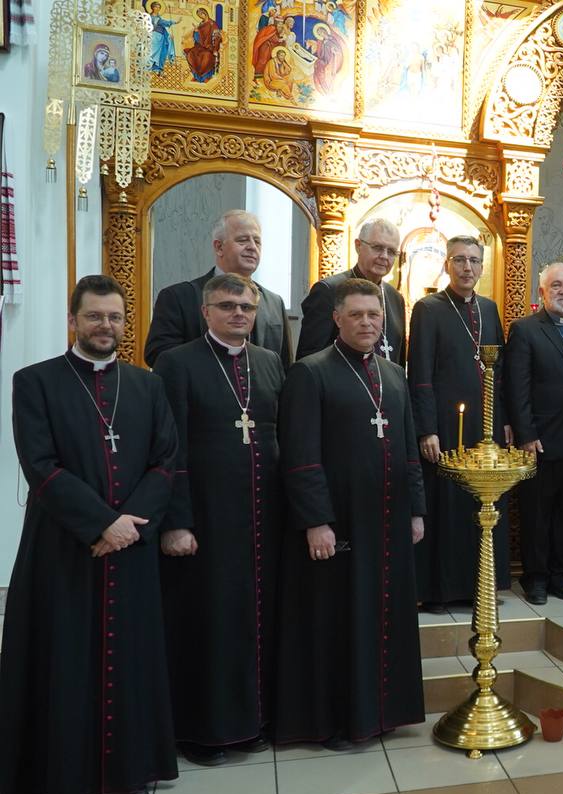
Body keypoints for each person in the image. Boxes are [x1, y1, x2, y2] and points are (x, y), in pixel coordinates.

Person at [1, 275, 178, 794]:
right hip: (63, 548)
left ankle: (128, 772)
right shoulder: (35, 381)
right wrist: (103, 524)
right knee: (67, 660)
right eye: (95, 317)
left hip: (131, 550)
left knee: (129, 660)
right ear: (73, 321)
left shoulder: (147, 385)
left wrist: (131, 528)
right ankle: (64, 782)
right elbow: (41, 467)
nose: (107, 327)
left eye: (116, 317)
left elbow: (164, 461)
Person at [274, 279, 426, 749]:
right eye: (356, 315)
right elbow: (300, 455)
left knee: (385, 612)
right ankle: (339, 720)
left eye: (374, 315)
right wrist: (316, 520)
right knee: (339, 618)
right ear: (337, 319)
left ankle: (385, 711)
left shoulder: (394, 374)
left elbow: (408, 452)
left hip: (387, 520)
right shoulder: (310, 372)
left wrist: (416, 511)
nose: (366, 323)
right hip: (339, 524)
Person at [152, 273, 285, 767]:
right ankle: (202, 732)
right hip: (205, 522)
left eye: (246, 308)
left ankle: (254, 721)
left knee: (257, 619)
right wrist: (176, 521)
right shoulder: (177, 363)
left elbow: (281, 441)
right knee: (208, 623)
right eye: (227, 306)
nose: (238, 315)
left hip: (262, 521)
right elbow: (171, 451)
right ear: (206, 312)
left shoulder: (271, 364)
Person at [409, 236, 511, 612]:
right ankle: (439, 590)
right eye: (459, 260)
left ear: (482, 267)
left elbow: (498, 374)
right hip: (445, 426)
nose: (467, 267)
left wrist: (505, 422)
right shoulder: (428, 308)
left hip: (486, 424)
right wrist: (426, 427)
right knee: (446, 505)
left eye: (474, 261)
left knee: (481, 501)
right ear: (447, 265)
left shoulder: (489, 308)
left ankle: (480, 584)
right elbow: (419, 372)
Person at [504, 263, 563, 605]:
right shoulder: (525, 330)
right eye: (556, 285)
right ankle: (535, 577)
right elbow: (517, 386)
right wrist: (526, 433)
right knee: (538, 512)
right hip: (540, 439)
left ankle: (559, 574)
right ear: (542, 291)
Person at [145, 209, 292, 369]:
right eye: (243, 240)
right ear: (219, 247)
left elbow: (284, 366)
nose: (252, 247)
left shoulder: (274, 303)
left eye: (257, 241)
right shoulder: (179, 297)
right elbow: (158, 355)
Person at [298, 218, 407, 365]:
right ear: (358, 246)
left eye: (392, 251)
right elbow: (309, 359)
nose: (384, 256)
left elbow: (398, 359)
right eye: (377, 247)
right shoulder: (328, 291)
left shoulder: (395, 298)